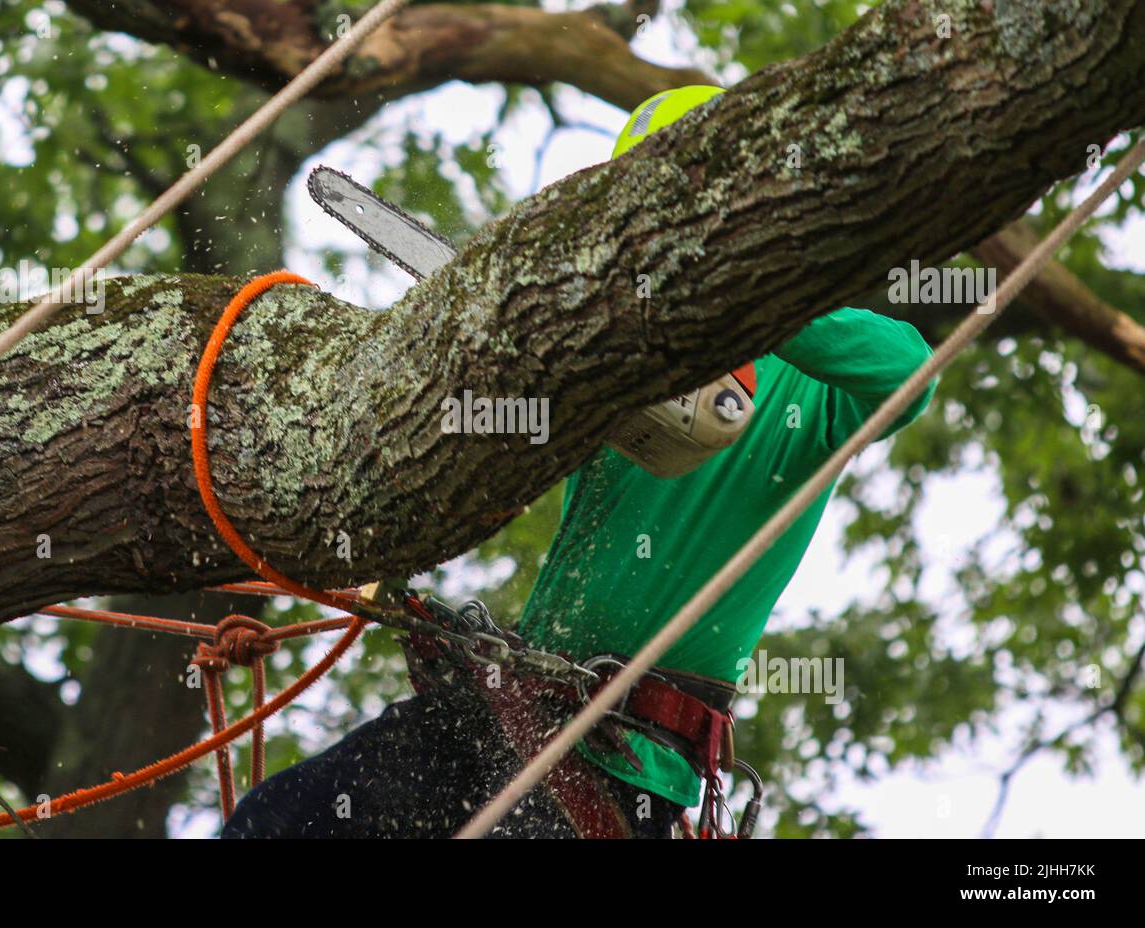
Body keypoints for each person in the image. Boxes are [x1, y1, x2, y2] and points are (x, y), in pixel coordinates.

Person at [222, 86, 937, 839]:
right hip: (506, 706)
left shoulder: (814, 392)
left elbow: (909, 371)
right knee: (276, 821)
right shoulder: (618, 344)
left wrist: (739, 289)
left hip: (627, 763)